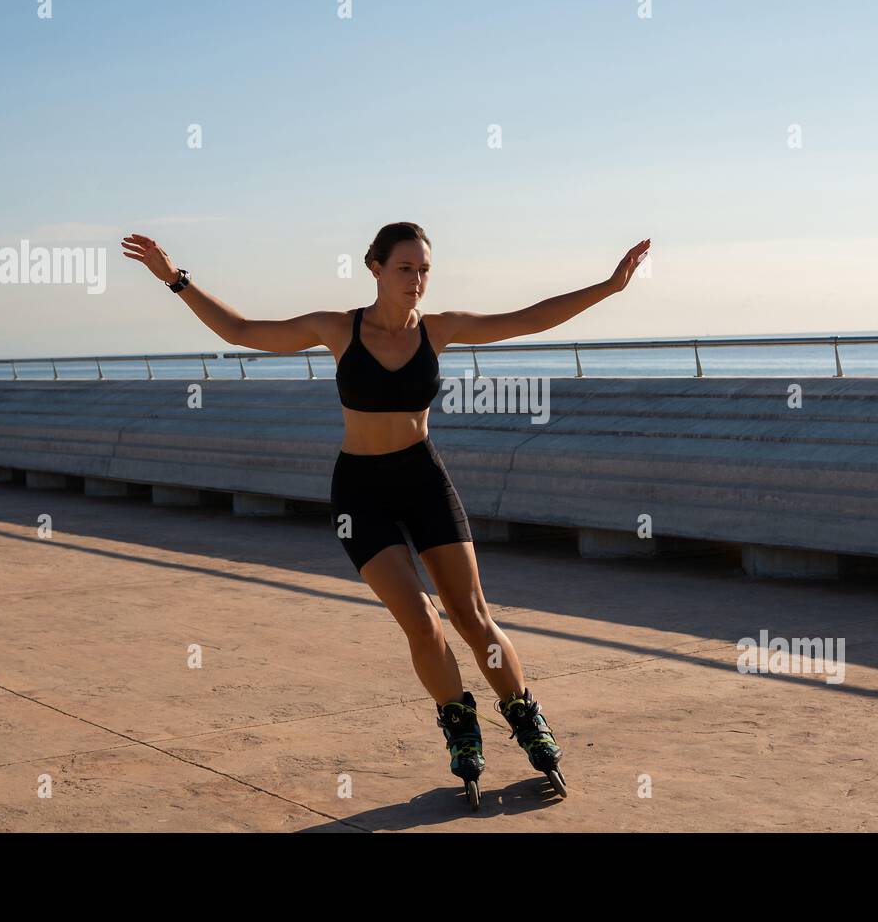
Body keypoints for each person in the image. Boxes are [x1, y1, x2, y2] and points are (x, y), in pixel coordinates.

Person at [122, 223, 649, 796]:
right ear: (373, 267)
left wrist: (609, 287)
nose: (416, 281)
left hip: (424, 479)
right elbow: (243, 330)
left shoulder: (440, 329)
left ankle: (525, 716)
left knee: (472, 615)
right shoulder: (337, 329)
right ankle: (460, 726)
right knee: (421, 622)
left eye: (424, 269)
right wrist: (175, 279)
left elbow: (528, 318)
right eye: (405, 269)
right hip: (361, 491)